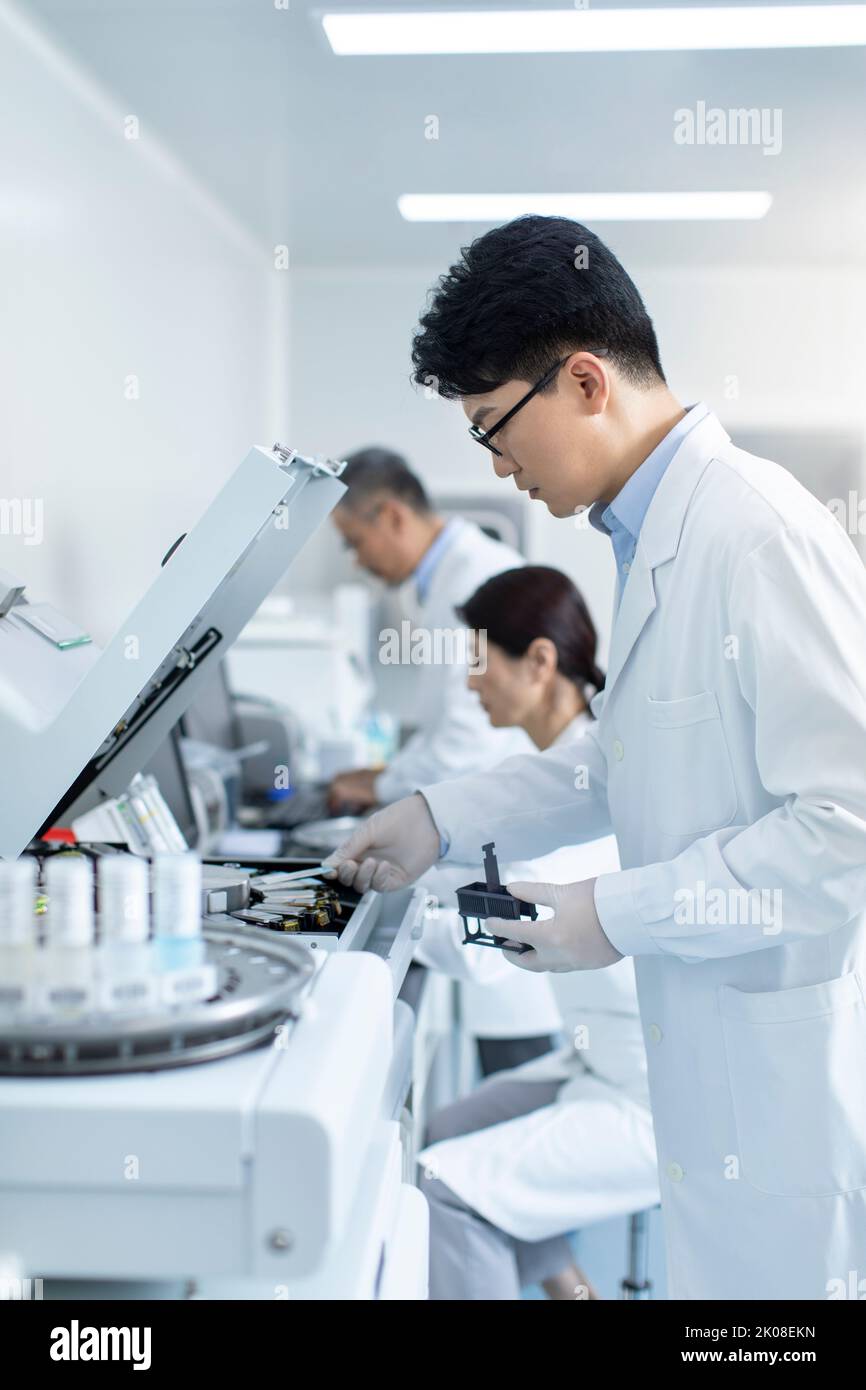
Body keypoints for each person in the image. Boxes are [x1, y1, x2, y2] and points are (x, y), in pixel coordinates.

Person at [327, 215, 866, 1301]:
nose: (491, 464)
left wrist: (608, 913)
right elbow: (620, 768)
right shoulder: (650, 539)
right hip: (712, 1077)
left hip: (784, 1095)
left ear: (581, 381)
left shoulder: (755, 531)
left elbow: (846, 826)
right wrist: (438, 816)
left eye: (492, 425)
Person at [414, 565, 658, 1300]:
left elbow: (500, 950)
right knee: (451, 1129)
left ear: (541, 663)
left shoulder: (586, 788)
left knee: (445, 1188)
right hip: (603, 1063)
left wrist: (388, 913)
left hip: (648, 1094)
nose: (469, 683)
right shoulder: (563, 768)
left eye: (480, 659)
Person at [327, 447, 532, 812]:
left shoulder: (473, 580)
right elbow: (441, 727)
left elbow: (467, 741)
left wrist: (381, 785)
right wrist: (383, 777)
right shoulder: (446, 579)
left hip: (497, 816)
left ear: (392, 517)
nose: (358, 561)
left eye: (355, 542)